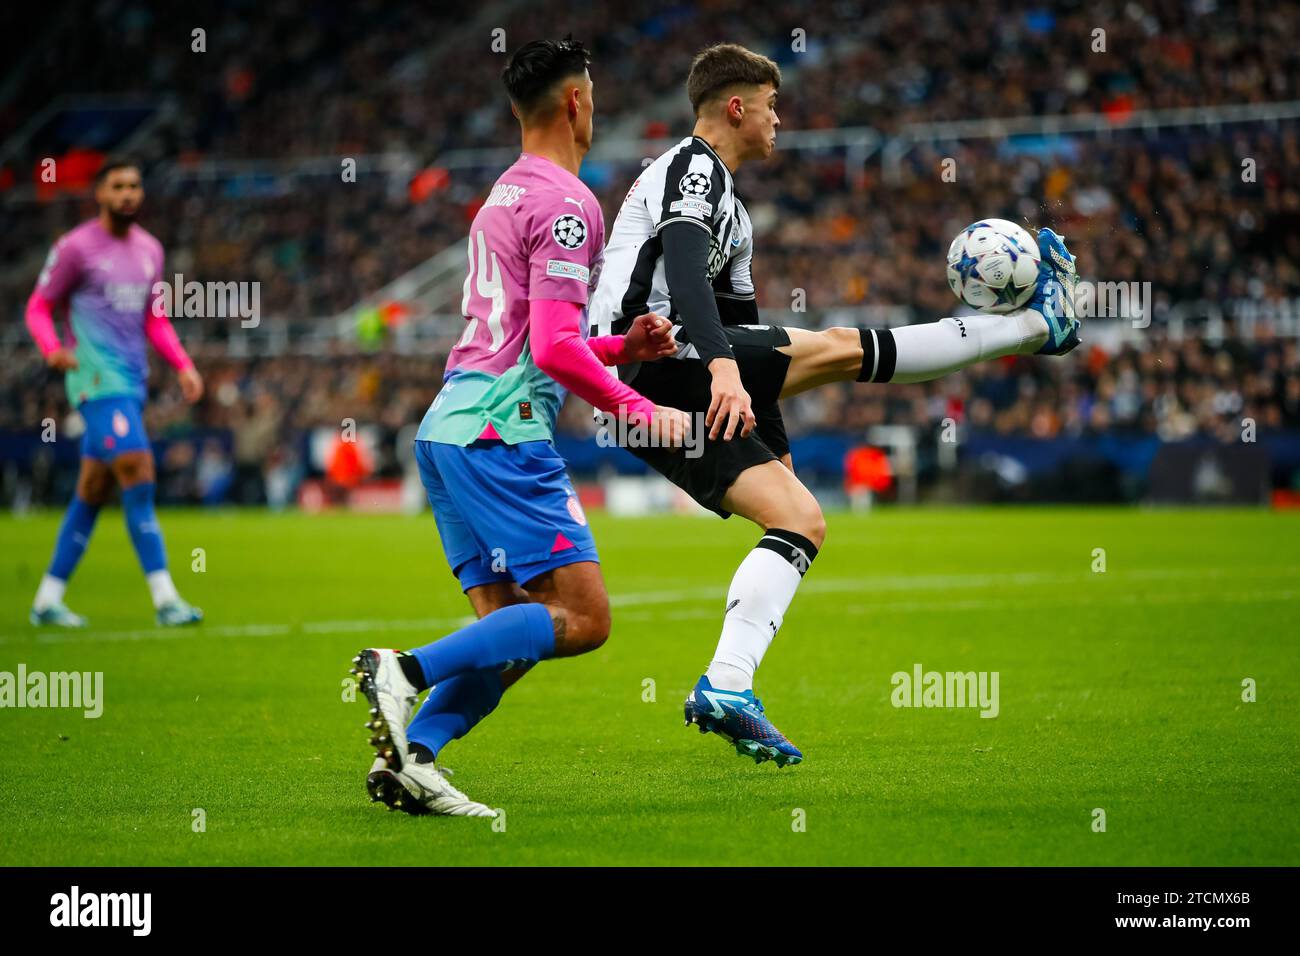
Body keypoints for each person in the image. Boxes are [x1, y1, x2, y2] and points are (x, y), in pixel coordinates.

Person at [588, 43, 1081, 767]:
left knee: (800, 518)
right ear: (737, 107)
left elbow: (756, 347)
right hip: (650, 361)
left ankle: (726, 686)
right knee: (842, 347)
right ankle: (1036, 326)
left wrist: (774, 444)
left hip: (651, 389)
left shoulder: (737, 213)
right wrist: (723, 368)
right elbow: (688, 276)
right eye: (771, 106)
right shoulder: (693, 169)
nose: (778, 120)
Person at [351, 38, 691, 816]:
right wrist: (640, 407)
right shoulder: (570, 203)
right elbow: (551, 348)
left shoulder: (503, 192)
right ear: (576, 102)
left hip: (449, 429)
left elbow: (534, 339)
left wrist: (622, 347)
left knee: (516, 633)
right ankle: (401, 671)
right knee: (584, 617)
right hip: (501, 434)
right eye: (594, 96)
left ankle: (416, 759)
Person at [25, 158, 205, 628]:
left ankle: (47, 599)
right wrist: (51, 348)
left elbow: (154, 318)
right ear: (100, 194)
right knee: (138, 468)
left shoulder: (150, 250)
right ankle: (166, 598)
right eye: (118, 186)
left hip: (133, 381)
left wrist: (183, 365)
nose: (128, 193)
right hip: (95, 380)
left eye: (134, 185)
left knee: (93, 489)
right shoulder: (75, 248)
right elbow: (39, 306)